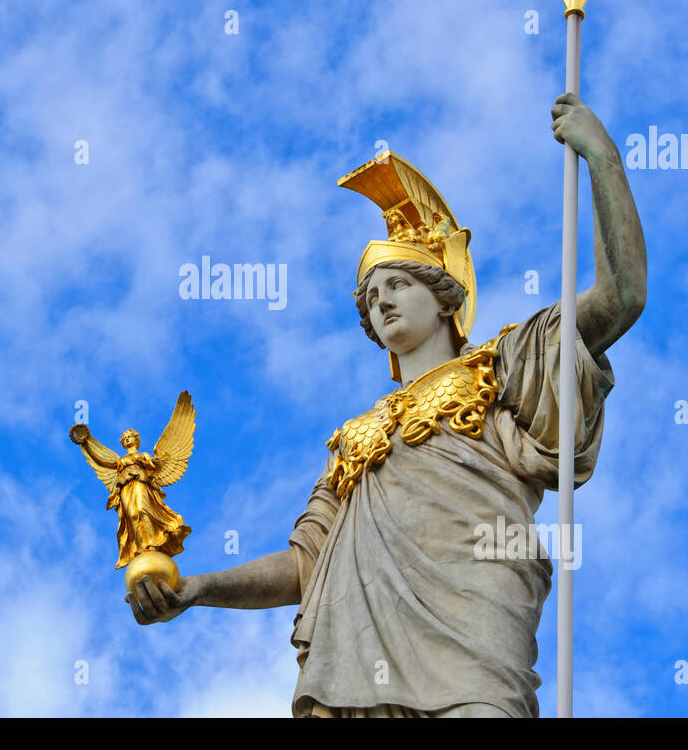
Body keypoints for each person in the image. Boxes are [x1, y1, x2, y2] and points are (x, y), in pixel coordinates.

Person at [127, 93, 646, 717]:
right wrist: (197, 588)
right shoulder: (355, 439)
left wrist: (602, 158)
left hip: (474, 626)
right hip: (355, 657)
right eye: (372, 297)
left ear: (445, 297)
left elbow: (622, 296)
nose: (383, 303)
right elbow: (305, 564)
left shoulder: (504, 366)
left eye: (399, 284)